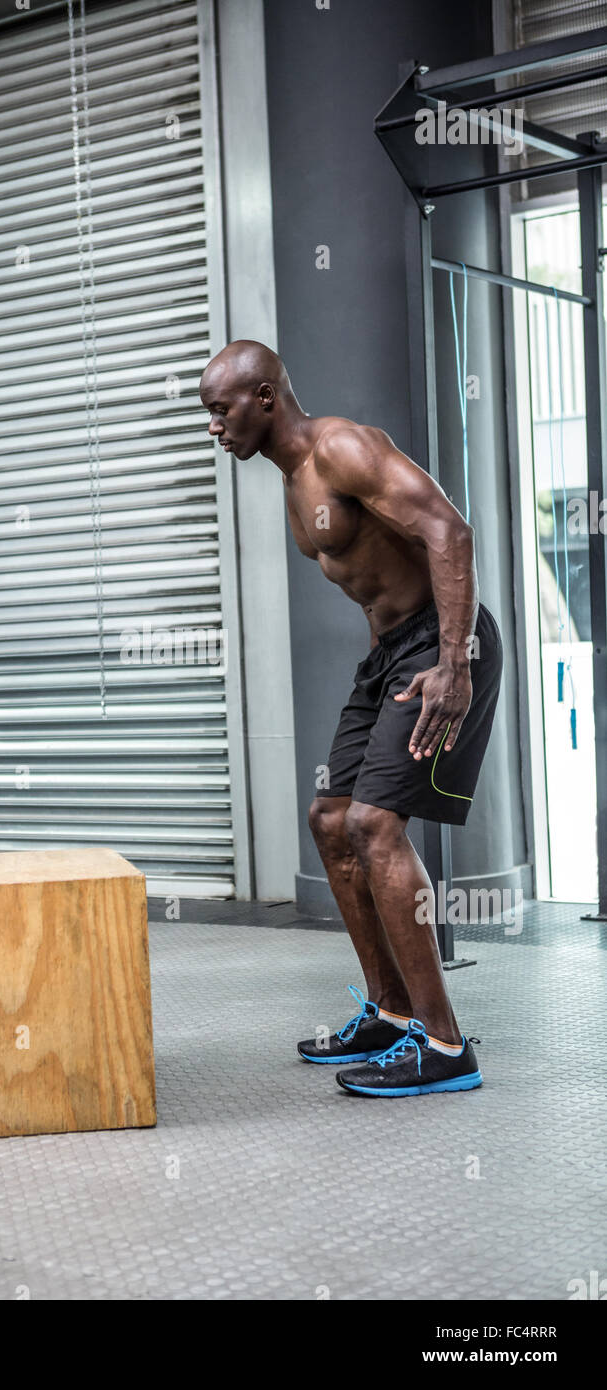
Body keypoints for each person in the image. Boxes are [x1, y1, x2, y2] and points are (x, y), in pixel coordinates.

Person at [199, 340, 503, 1097]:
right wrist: (380, 669)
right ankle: (391, 1014)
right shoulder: (293, 480)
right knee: (331, 818)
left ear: (265, 398)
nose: (214, 427)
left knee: (374, 824)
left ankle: (443, 1045)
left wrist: (453, 663)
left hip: (443, 643)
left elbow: (449, 532)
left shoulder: (342, 447)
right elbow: (374, 583)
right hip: (392, 656)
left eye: (220, 409)